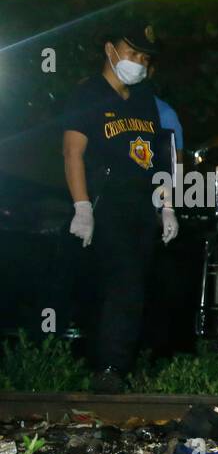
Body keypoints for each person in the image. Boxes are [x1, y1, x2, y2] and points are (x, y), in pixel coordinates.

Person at [62, 21, 178, 393]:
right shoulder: (88, 94)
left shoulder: (144, 98)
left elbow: (160, 157)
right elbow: (72, 152)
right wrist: (82, 206)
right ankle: (110, 367)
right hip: (105, 200)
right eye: (133, 53)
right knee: (122, 281)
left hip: (142, 205)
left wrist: (167, 206)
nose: (139, 62)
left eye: (145, 57)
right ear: (110, 51)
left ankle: (114, 364)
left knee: (134, 286)